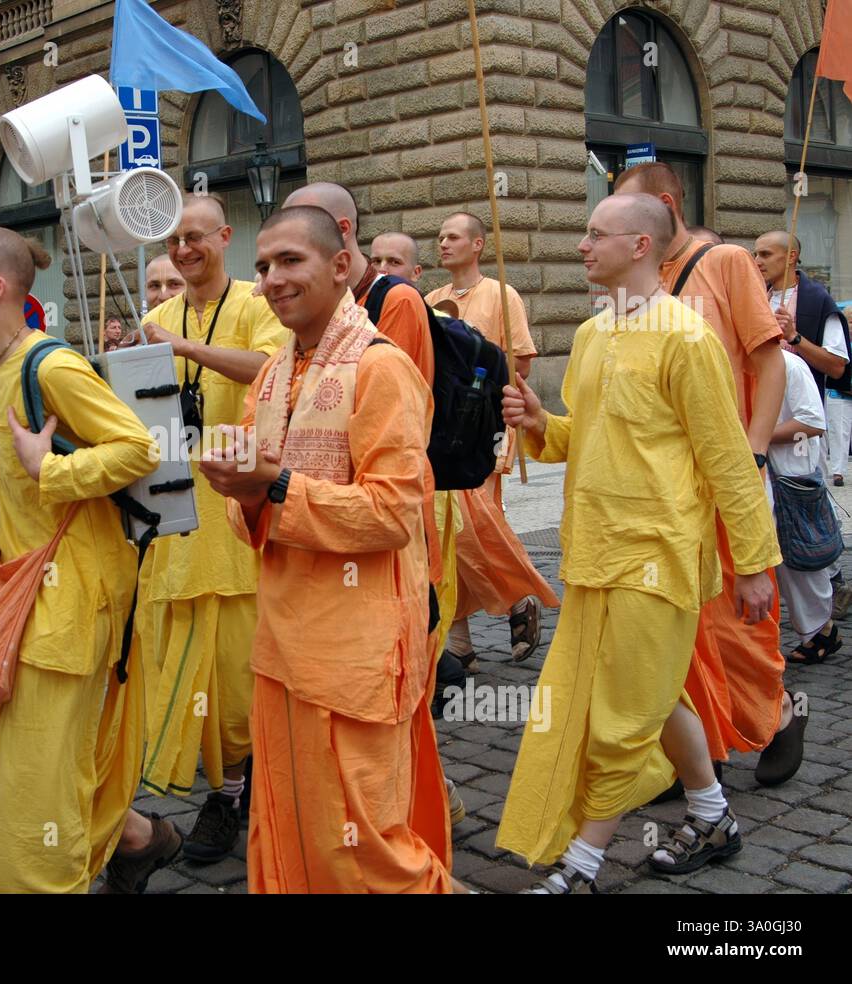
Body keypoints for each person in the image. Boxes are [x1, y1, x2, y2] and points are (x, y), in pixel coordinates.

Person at [497, 193, 780, 893]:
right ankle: (713, 814)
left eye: (596, 234)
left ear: (641, 247)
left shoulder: (686, 338)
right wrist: (539, 420)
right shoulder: (594, 334)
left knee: (620, 717)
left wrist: (753, 562)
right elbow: (581, 437)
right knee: (657, 693)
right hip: (593, 550)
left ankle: (582, 865)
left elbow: (725, 458)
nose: (582, 245)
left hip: (659, 554)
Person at [201, 205, 453, 893]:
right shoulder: (274, 374)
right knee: (293, 829)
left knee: (364, 848)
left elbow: (393, 513)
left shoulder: (381, 369)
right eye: (262, 267)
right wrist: (245, 491)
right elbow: (242, 511)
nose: (271, 281)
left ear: (342, 266)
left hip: (356, 654)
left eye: (290, 262)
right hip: (283, 644)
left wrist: (273, 486)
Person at [0, 226, 159, 894]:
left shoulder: (49, 364)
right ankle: (140, 841)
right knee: (24, 777)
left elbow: (138, 448)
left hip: (65, 610)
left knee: (38, 790)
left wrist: (50, 467)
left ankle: (102, 857)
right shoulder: (2, 368)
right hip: (28, 604)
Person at [101, 194, 286, 890]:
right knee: (183, 659)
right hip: (175, 512)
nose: (183, 252)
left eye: (195, 238)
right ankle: (226, 789)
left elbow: (270, 368)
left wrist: (181, 348)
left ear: (225, 238)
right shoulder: (161, 315)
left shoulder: (255, 302)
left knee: (237, 671)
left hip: (236, 511)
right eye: (174, 241)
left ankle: (236, 788)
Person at [613, 162, 799, 788]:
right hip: (665, 492)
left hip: (728, 476)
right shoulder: (640, 282)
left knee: (738, 620)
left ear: (663, 207)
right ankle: (700, 755)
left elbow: (768, 363)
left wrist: (751, 454)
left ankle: (779, 711)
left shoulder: (724, 264)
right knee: (680, 624)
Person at [284, 182, 459, 830]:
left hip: (386, 547)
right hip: (324, 553)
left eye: (296, 247)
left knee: (395, 710)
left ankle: (413, 829)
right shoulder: (306, 327)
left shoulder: (395, 307)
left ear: (340, 234)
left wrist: (284, 487)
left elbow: (394, 440)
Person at [425, 211, 560, 668]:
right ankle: (459, 640)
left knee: (472, 525)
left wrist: (474, 372)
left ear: (478, 244)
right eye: (440, 236)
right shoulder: (432, 298)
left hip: (486, 427)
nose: (443, 243)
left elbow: (519, 363)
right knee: (448, 532)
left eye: (453, 236)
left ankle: (520, 594)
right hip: (444, 432)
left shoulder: (502, 293)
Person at [752, 231, 851, 482]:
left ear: (791, 257)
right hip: (755, 409)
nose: (757, 261)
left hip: (797, 423)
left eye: (765, 254)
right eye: (755, 254)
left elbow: (837, 367)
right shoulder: (753, 296)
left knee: (801, 494)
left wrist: (795, 337)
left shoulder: (818, 301)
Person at [767, 348, 842, 664]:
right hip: (770, 477)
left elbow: (812, 423)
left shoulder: (789, 365)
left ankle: (821, 630)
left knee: (799, 560)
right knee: (780, 560)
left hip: (791, 478)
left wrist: (757, 435)